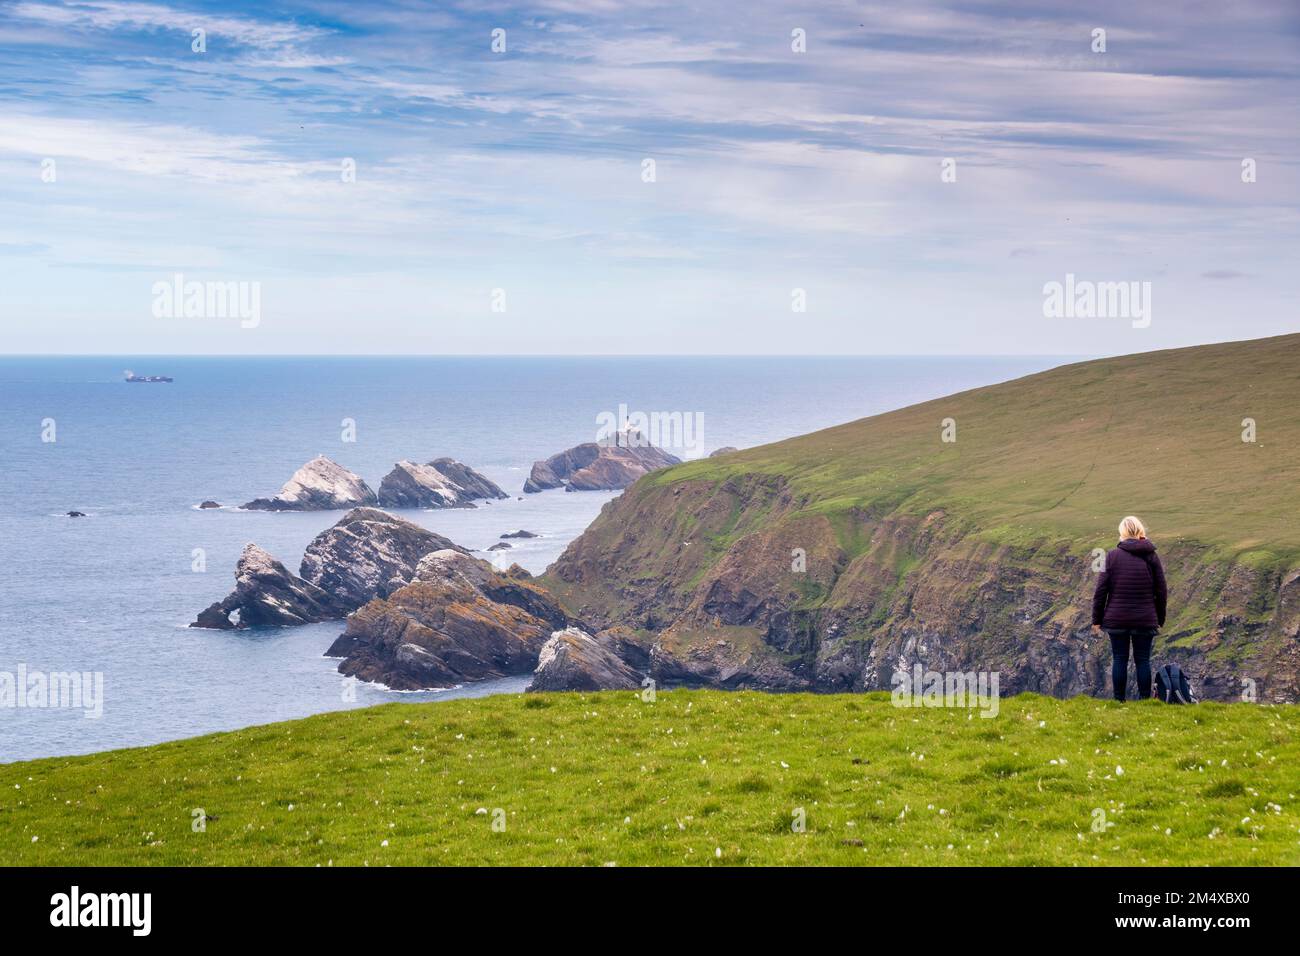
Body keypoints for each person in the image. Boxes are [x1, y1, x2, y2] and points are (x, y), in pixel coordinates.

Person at [1091, 515, 1167, 700]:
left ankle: (1119, 701)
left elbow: (1101, 591)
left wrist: (1096, 620)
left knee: (1119, 659)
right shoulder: (1151, 557)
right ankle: (1145, 701)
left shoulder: (1111, 557)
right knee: (1142, 660)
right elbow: (1161, 590)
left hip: (1116, 618)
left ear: (1122, 533)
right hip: (1145, 619)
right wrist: (1160, 618)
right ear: (1140, 531)